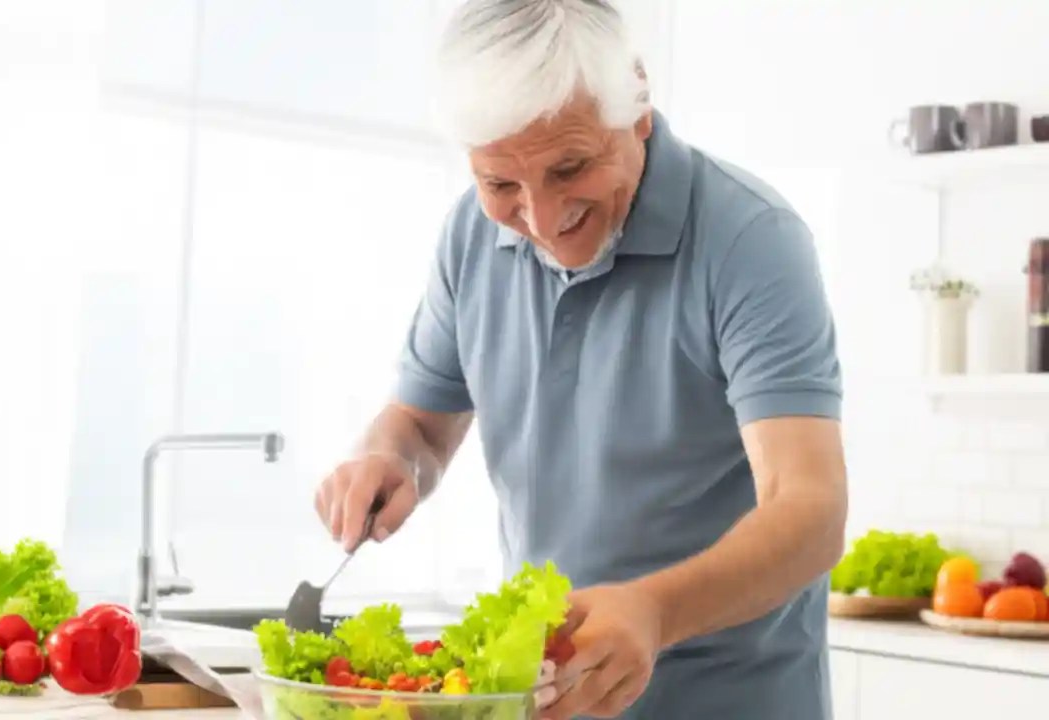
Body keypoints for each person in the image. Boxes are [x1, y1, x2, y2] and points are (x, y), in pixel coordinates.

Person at [313, 1, 847, 718]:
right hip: (548, 701)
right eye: (501, 183)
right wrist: (387, 458)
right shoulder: (471, 235)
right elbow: (419, 422)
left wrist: (654, 611)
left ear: (638, 106)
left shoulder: (752, 240)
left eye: (570, 167)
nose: (540, 217)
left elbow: (810, 510)